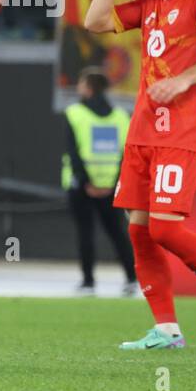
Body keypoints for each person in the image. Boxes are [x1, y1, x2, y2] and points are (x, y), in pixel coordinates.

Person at [83, 0, 196, 350]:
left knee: (165, 229)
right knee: (138, 229)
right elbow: (95, 21)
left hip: (182, 132)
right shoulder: (149, 5)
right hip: (142, 134)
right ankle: (166, 329)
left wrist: (183, 82)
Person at [62, 68, 136, 296]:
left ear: (89, 87)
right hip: (111, 186)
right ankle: (132, 279)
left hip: (81, 186)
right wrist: (111, 184)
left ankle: (88, 282)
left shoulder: (74, 113)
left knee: (86, 233)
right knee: (118, 233)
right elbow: (127, 154)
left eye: (82, 83)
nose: (78, 87)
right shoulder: (121, 116)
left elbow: (73, 152)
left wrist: (87, 183)